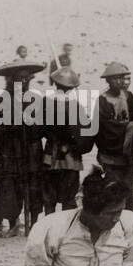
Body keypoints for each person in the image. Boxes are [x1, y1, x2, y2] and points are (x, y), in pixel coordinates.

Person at [0, 57, 47, 237]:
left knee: (34, 185)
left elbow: (43, 125)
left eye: (26, 79)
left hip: (32, 149)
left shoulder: (37, 99)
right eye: (19, 79)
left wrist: (31, 123)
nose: (23, 83)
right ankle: (14, 221)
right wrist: (14, 122)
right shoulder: (1, 99)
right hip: (11, 150)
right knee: (10, 185)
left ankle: (35, 221)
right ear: (11, 80)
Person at [94, 62, 133, 212]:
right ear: (108, 81)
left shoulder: (129, 97)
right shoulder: (102, 100)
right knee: (113, 189)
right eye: (115, 79)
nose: (119, 82)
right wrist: (132, 125)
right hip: (110, 154)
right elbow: (105, 126)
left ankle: (128, 221)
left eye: (122, 78)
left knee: (129, 188)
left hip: (126, 155)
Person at [41, 67, 87, 214]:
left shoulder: (48, 102)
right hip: (63, 154)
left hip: (63, 154)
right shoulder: (74, 105)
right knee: (63, 197)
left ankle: (56, 226)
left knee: (53, 197)